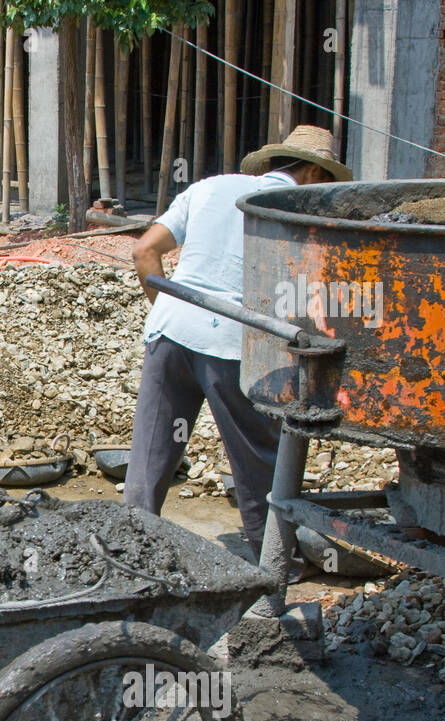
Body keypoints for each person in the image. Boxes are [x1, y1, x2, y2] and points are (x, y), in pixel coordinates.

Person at [126, 125, 352, 560]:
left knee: (152, 450)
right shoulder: (295, 210)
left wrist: (171, 308)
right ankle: (274, 561)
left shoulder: (210, 187)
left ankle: (131, 550)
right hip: (234, 346)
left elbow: (144, 253)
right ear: (311, 173)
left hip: (169, 332)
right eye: (324, 181)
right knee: (258, 458)